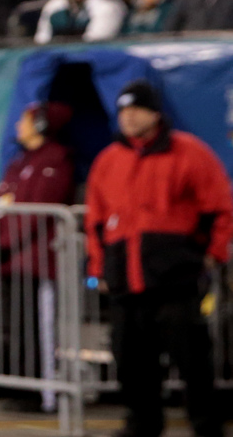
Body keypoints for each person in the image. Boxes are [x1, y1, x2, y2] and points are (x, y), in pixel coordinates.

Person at [86, 81, 232, 437]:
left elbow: (220, 208)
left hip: (174, 278)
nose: (128, 117)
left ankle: (205, 424)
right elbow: (96, 222)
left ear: (155, 113)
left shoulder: (189, 153)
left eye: (135, 109)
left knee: (192, 358)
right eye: (123, 111)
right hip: (125, 277)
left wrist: (213, 253)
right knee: (131, 358)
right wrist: (97, 268)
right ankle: (142, 422)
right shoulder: (108, 161)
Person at [0, 101, 75, 411]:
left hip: (37, 264)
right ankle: (25, 387)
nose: (17, 127)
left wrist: (3, 241)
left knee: (39, 329)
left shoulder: (55, 162)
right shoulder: (20, 163)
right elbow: (0, 205)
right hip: (12, 262)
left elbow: (33, 214)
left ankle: (44, 393)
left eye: (24, 121)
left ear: (40, 125)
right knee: (18, 329)